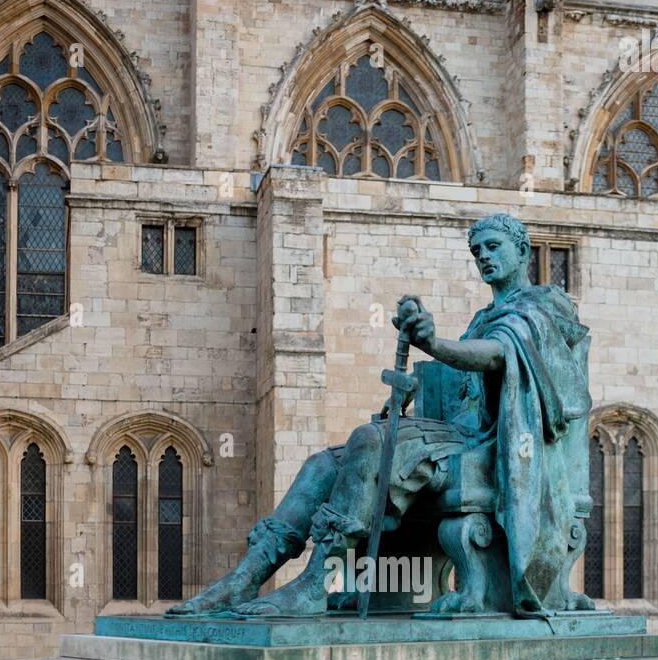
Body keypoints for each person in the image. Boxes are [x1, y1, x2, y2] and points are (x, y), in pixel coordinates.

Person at [168, 212, 592, 618]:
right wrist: (410, 392)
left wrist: (435, 344)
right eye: (477, 249)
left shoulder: (544, 305)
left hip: (501, 444)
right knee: (322, 464)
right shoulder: (483, 317)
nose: (483, 255)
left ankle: (315, 584)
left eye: (493, 246)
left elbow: (498, 355)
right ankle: (244, 578)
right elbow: (464, 382)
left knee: (370, 441)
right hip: (458, 433)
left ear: (522, 250)